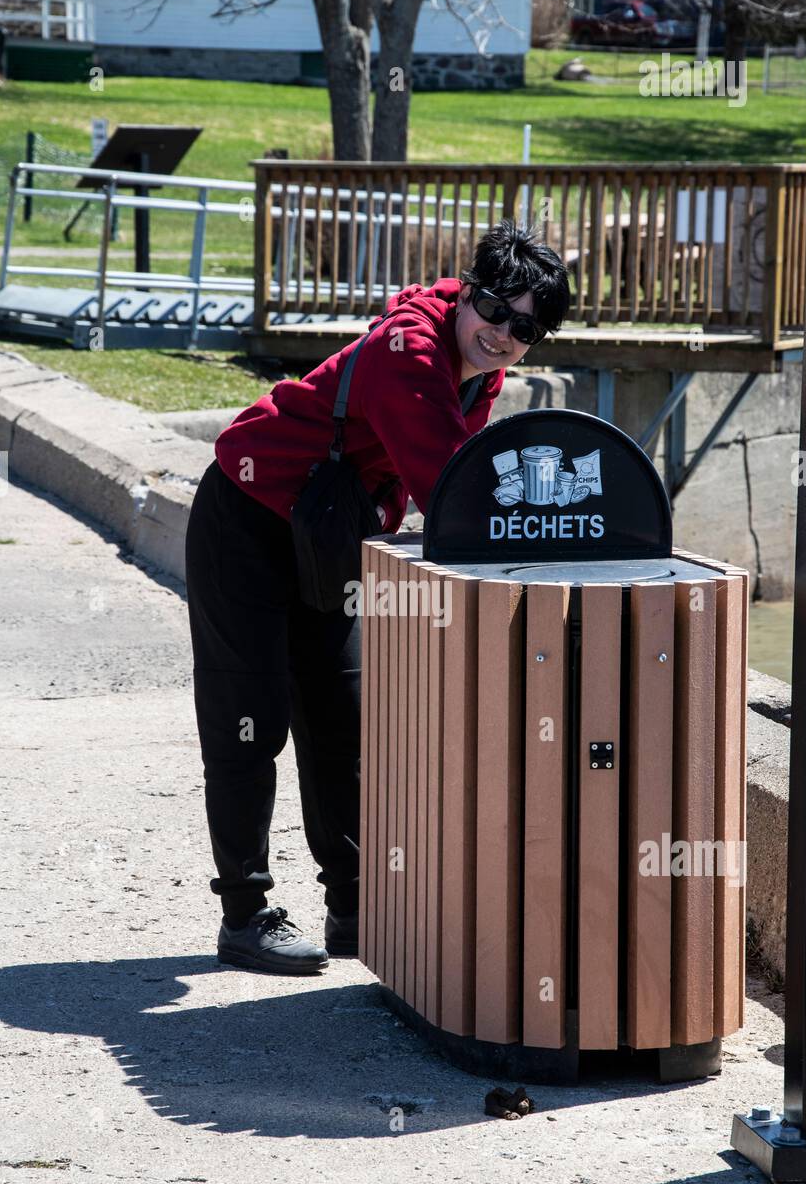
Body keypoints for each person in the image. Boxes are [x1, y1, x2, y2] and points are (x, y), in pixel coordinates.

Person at [184, 218, 571, 975]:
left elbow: (454, 486)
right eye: (495, 310)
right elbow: (446, 486)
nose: (503, 334)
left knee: (341, 723)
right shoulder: (409, 354)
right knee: (247, 719)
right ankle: (245, 913)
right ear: (467, 292)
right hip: (246, 518)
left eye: (526, 328)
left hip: (327, 535)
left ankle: (354, 909)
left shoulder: (477, 369)